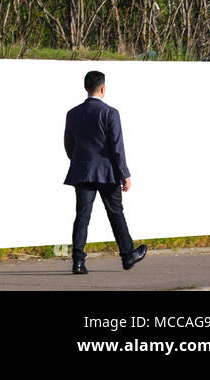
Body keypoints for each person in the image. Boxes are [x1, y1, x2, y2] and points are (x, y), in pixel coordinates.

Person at [63, 71, 147, 274]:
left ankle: (78, 262)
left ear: (85, 88)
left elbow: (68, 144)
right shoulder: (110, 113)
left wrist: (79, 160)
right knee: (116, 213)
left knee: (82, 216)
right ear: (103, 88)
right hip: (107, 173)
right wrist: (124, 173)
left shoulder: (73, 113)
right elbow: (117, 147)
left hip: (83, 171)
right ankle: (128, 256)